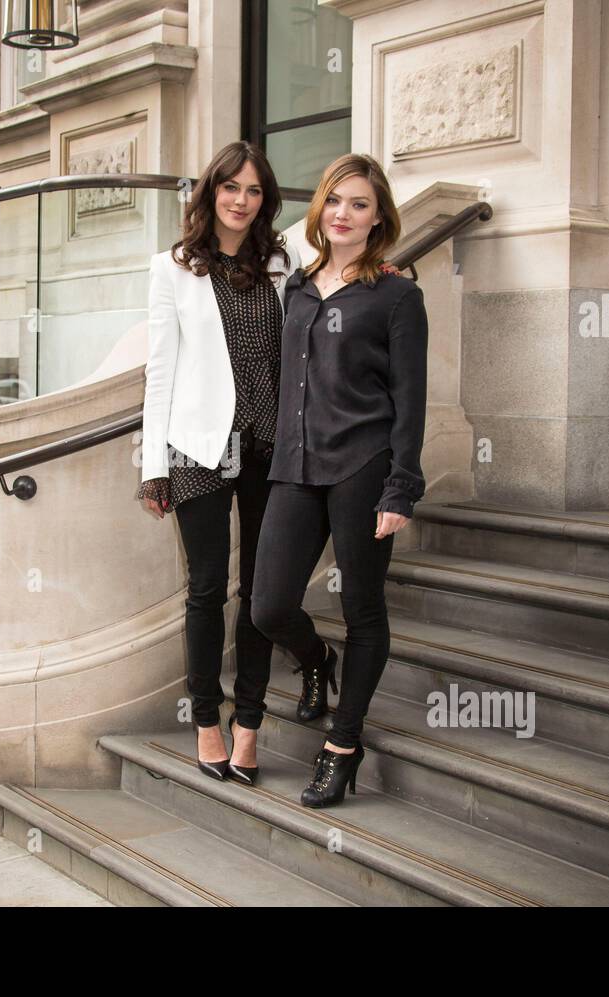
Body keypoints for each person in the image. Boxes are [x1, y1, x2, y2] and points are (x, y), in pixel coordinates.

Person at [251, 153, 428, 808]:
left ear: (378, 216)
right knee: (268, 605)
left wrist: (400, 486)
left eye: (359, 203)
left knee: (363, 608)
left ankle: (343, 746)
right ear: (319, 209)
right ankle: (316, 662)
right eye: (334, 201)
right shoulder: (296, 288)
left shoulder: (397, 294)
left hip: (363, 463)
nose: (344, 214)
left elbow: (411, 398)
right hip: (296, 466)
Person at [137, 141, 302, 785]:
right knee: (206, 589)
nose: (241, 200)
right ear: (211, 192)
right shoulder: (174, 268)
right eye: (230, 187)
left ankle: (250, 724)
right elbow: (161, 374)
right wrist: (155, 466)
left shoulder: (283, 261)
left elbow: (352, 260)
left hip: (270, 447)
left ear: (266, 201)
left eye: (254, 190)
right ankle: (206, 719)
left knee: (260, 593)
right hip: (200, 447)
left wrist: (393, 273)